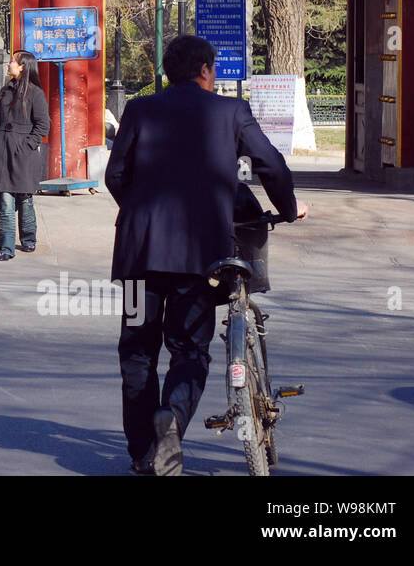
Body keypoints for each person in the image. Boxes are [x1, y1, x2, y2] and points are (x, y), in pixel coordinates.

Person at [105, 35, 308, 476]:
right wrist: (290, 208)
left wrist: (142, 214)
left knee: (137, 351)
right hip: (199, 259)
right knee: (190, 349)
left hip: (140, 258)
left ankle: (142, 452)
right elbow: (270, 164)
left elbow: (115, 175)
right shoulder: (230, 111)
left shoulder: (139, 110)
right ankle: (172, 423)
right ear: (205, 71)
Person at [0, 51, 50, 260]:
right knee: (5, 201)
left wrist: (27, 145)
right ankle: (6, 247)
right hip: (2, 152)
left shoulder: (35, 93)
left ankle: (29, 238)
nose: (9, 63)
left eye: (13, 61)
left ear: (23, 66)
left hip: (23, 154)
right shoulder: (6, 90)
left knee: (24, 199)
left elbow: (43, 125)